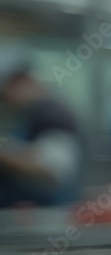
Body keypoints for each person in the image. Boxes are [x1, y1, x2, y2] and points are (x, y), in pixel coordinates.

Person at [0, 48, 83, 207]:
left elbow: (53, 168)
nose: (6, 102)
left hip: (49, 214)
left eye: (4, 95)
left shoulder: (52, 114)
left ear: (20, 81)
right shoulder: (29, 115)